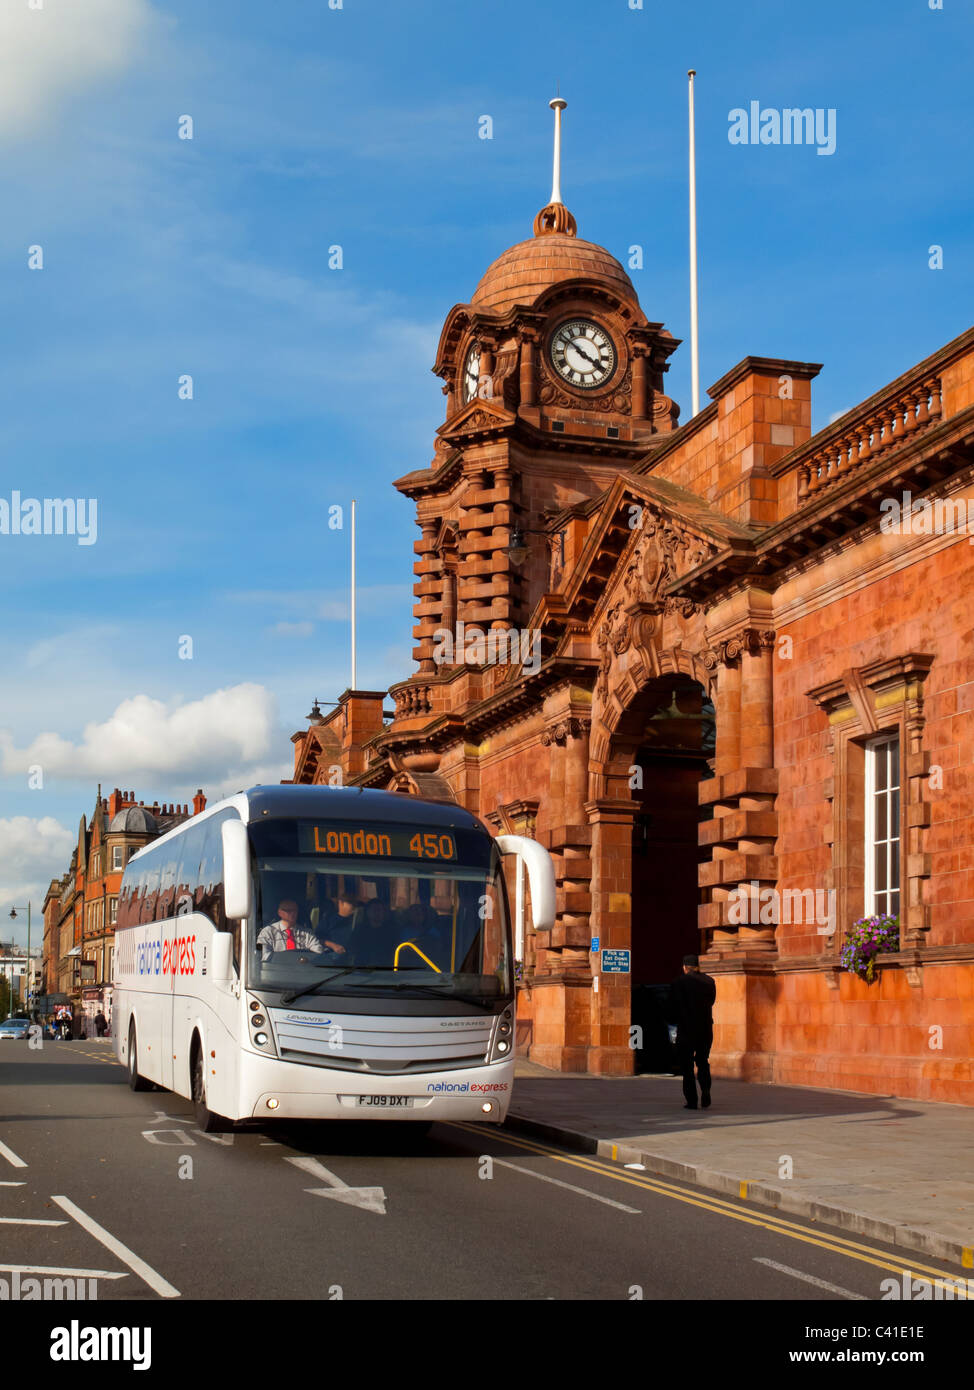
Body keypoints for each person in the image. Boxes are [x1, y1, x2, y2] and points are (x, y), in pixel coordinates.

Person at [668, 953, 717, 1110]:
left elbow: (672, 1006)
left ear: (684, 967)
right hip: (705, 1028)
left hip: (686, 1028)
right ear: (697, 966)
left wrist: (673, 1021)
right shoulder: (710, 981)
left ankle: (692, 1100)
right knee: (703, 1061)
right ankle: (706, 1089)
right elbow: (711, 1001)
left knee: (687, 1066)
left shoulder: (678, 982)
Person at [257, 899, 323, 961]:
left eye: (294, 910)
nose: (292, 913)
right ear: (279, 912)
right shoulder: (268, 932)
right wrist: (285, 959)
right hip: (276, 968)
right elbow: (264, 956)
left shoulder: (307, 933)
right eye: (288, 910)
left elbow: (318, 953)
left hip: (303, 968)